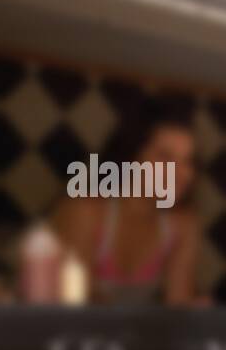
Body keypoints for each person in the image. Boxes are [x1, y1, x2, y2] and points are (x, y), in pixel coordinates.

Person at [53, 96, 201, 305]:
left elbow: (178, 306)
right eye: (165, 157)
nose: (182, 173)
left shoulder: (183, 225)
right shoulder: (86, 211)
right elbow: (73, 303)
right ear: (132, 157)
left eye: (188, 161)